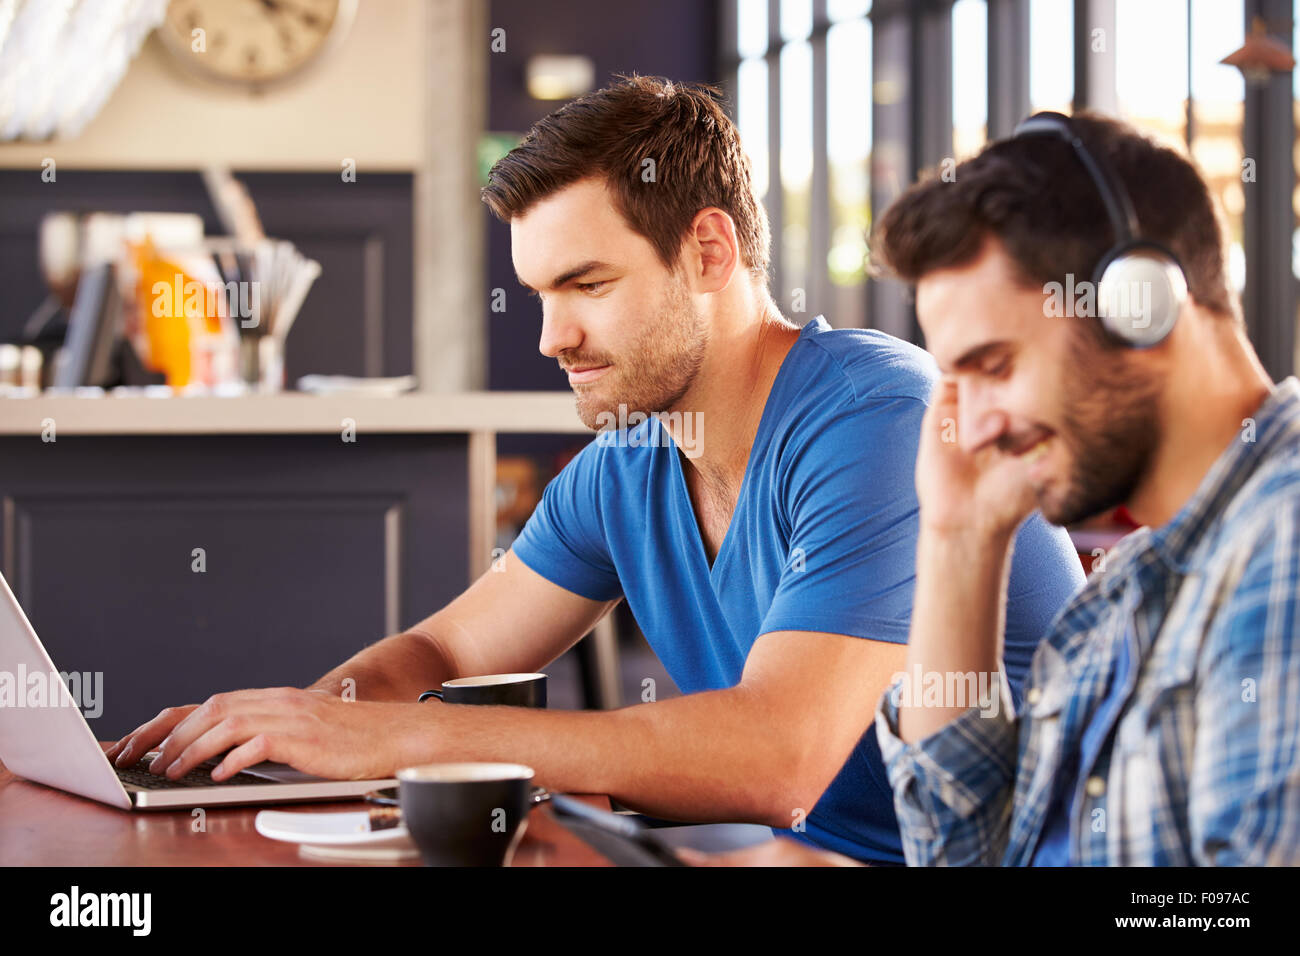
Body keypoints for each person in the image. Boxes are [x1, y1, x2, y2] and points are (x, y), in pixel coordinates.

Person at [104, 77, 1082, 864]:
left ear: (707, 250)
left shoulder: (876, 418)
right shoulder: (627, 464)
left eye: (587, 284)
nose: (551, 336)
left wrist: (404, 741)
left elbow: (779, 756)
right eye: (537, 292)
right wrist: (296, 739)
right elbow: (440, 657)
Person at [699, 110, 1300, 866]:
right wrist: (959, 540)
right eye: (956, 379)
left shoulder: (1282, 544)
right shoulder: (1130, 595)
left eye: (996, 366)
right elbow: (965, 855)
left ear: (1140, 308)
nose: (972, 427)